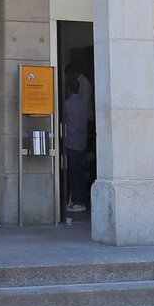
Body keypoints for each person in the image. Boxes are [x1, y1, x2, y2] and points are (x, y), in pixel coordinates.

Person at [61, 77, 93, 215]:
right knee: (80, 173)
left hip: (71, 143)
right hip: (82, 142)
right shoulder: (85, 104)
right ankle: (79, 200)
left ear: (68, 89)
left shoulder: (66, 105)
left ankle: (75, 201)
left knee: (72, 174)